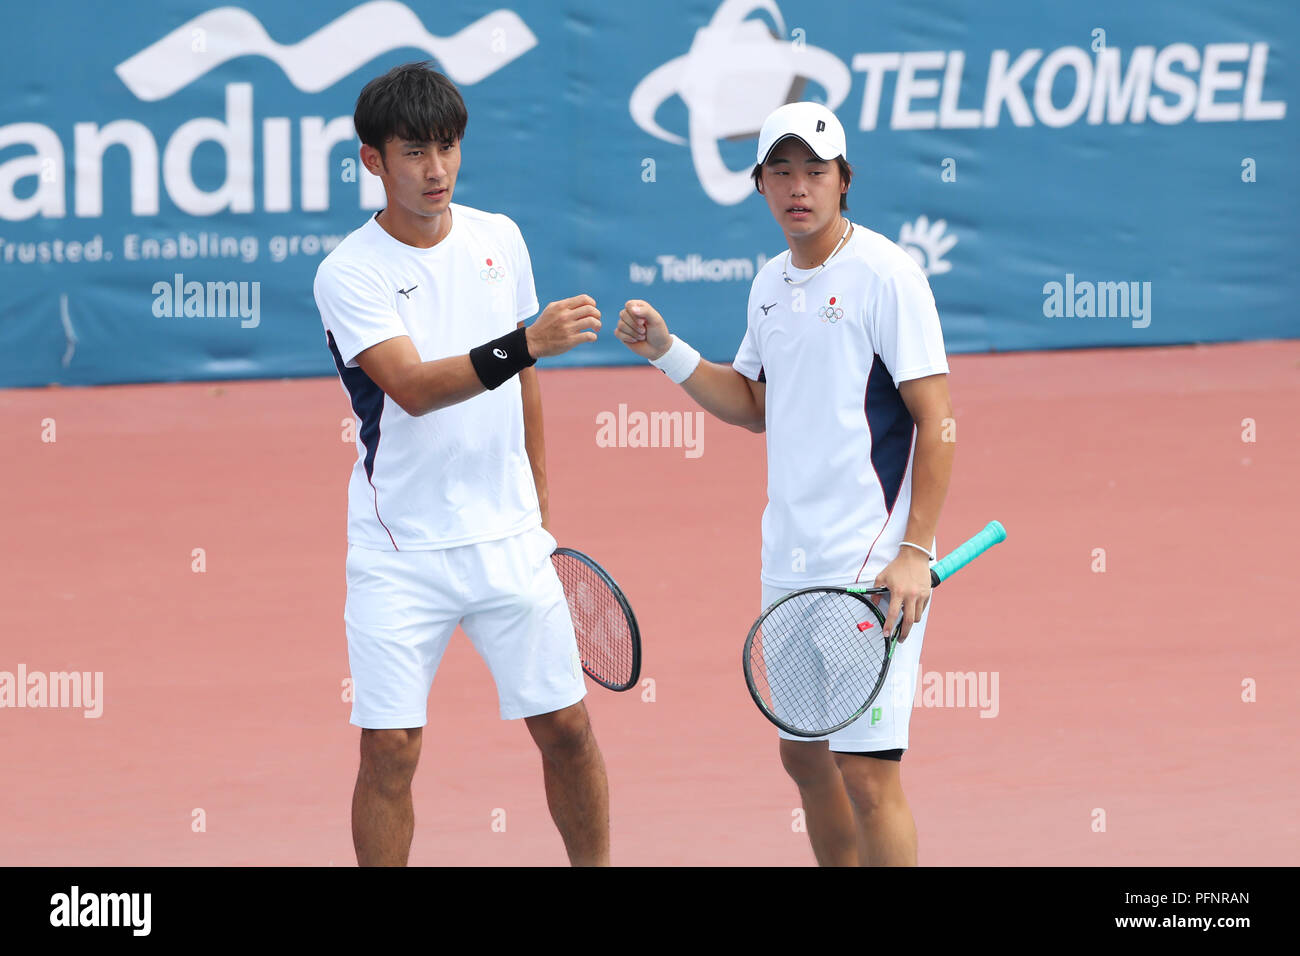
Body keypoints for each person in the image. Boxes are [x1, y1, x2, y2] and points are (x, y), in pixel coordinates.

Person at [615, 102, 954, 866]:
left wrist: (915, 549)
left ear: (844, 181)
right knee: (804, 757)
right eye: (782, 172)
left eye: (815, 172)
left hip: (874, 567)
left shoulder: (887, 275)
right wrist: (668, 352)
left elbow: (938, 422)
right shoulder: (769, 285)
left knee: (867, 774)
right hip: (790, 565)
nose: (799, 187)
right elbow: (755, 404)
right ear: (760, 183)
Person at [313, 61, 610, 866]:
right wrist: (525, 341)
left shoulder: (498, 239)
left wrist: (540, 509)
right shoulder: (349, 272)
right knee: (391, 751)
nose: (435, 169)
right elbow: (409, 387)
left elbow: (524, 386)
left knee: (569, 731)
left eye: (446, 148)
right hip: (399, 550)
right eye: (414, 152)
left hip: (508, 537)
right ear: (374, 161)